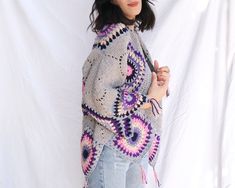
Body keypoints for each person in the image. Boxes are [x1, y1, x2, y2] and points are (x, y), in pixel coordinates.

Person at [80, 0, 170, 187]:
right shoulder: (115, 35)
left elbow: (135, 87)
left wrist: (157, 82)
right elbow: (98, 95)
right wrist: (148, 100)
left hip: (134, 149)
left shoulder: (131, 35)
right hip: (113, 149)